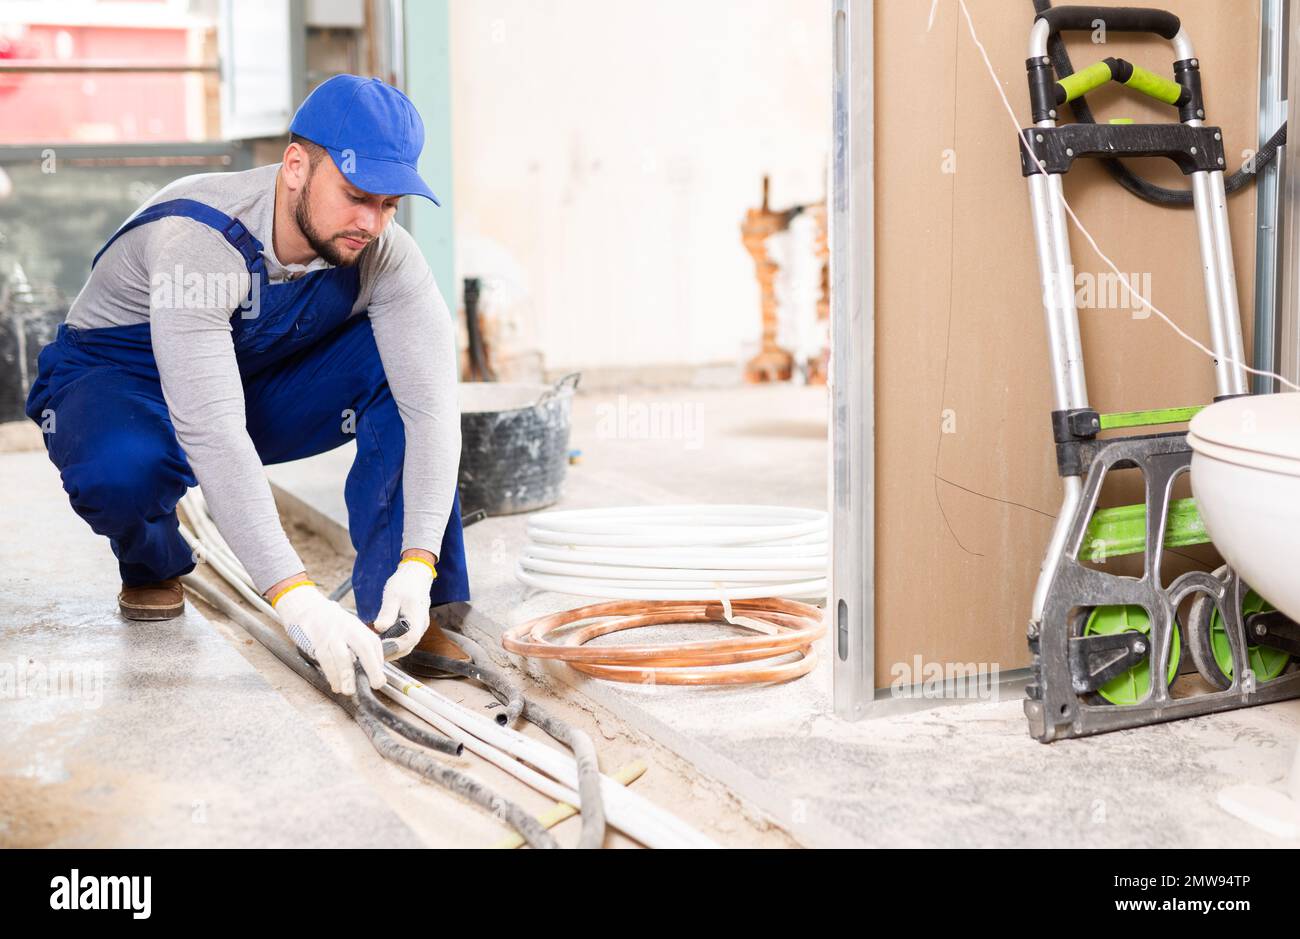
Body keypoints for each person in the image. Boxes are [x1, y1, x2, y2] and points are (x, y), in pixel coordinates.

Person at [25, 75, 469, 696]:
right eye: (356, 195)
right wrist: (296, 598)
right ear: (294, 167)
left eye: (390, 203)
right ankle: (152, 560)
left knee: (405, 372)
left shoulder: (384, 253)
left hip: (246, 374)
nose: (372, 222)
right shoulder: (201, 237)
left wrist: (419, 562)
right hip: (120, 380)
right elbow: (211, 427)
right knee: (122, 470)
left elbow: (431, 410)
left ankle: (395, 616)